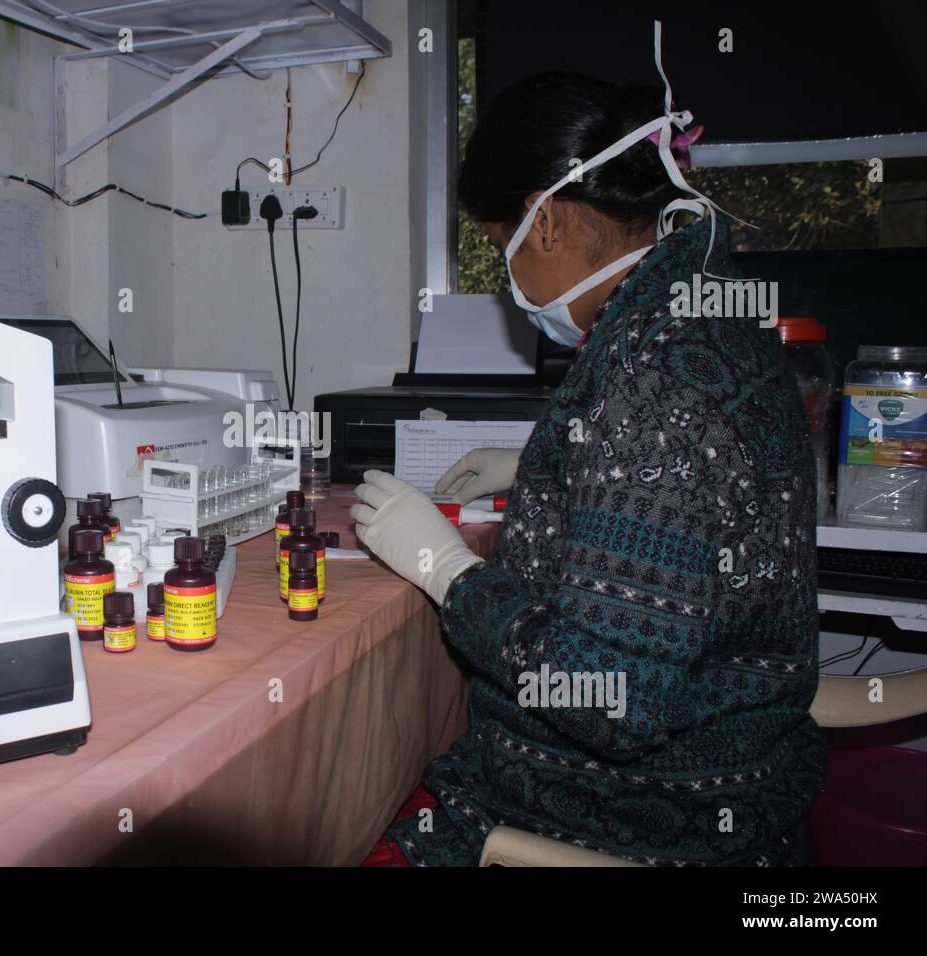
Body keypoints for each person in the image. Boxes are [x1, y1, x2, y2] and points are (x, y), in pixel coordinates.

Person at [351, 36, 825, 866]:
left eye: (504, 242)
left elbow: (614, 701)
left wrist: (447, 572)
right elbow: (678, 488)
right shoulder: (699, 309)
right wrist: (552, 458)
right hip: (729, 772)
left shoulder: (657, 382)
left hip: (634, 814)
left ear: (553, 218)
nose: (509, 274)